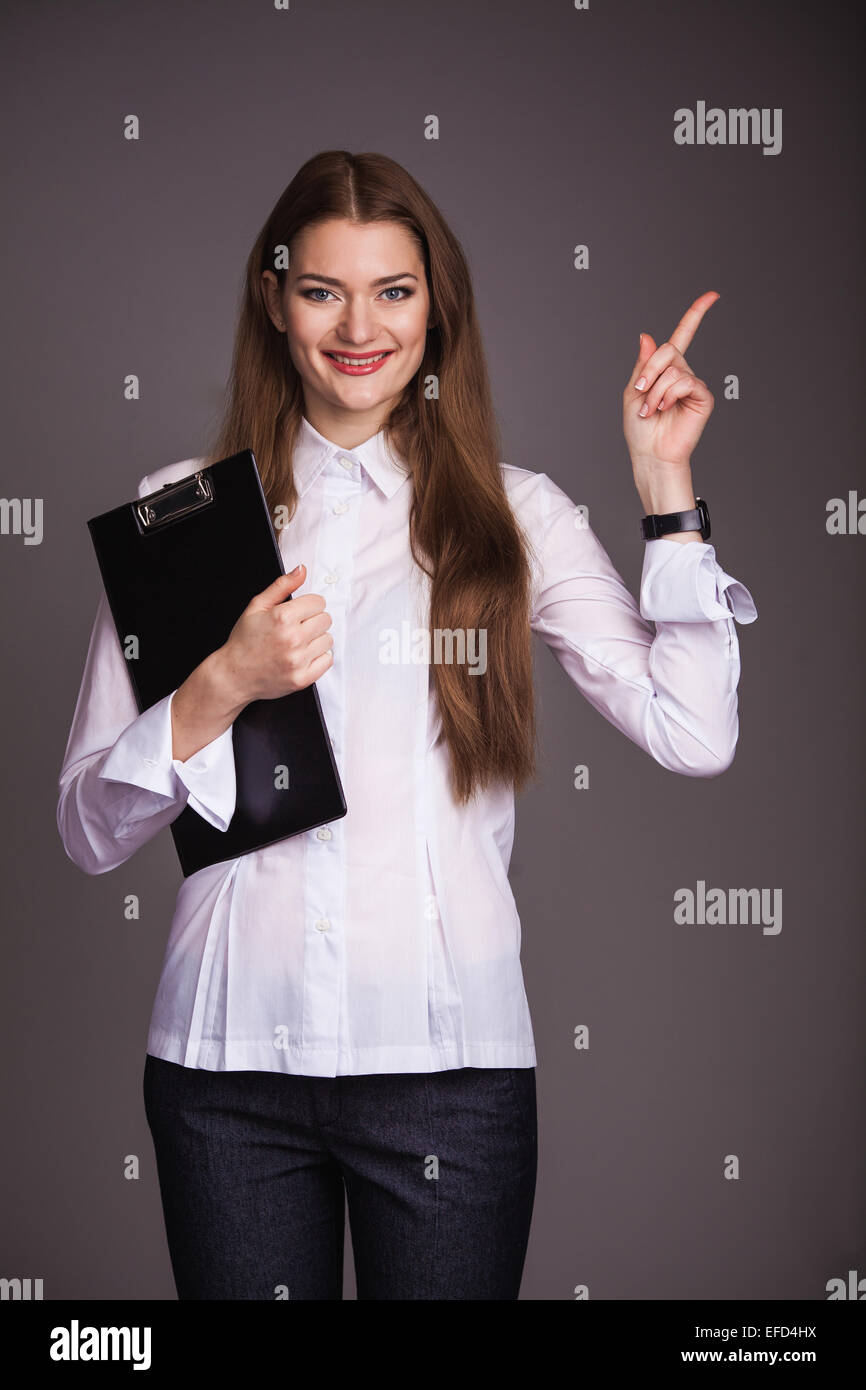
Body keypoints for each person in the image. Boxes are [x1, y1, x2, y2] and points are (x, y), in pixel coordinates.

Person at [57, 149, 757, 1301]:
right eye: (321, 290)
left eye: (392, 290)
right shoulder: (179, 515)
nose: (357, 327)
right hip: (226, 1068)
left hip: (450, 1075)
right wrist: (220, 683)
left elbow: (693, 731)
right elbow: (89, 828)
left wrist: (664, 490)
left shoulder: (516, 515)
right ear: (274, 301)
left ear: (435, 307)